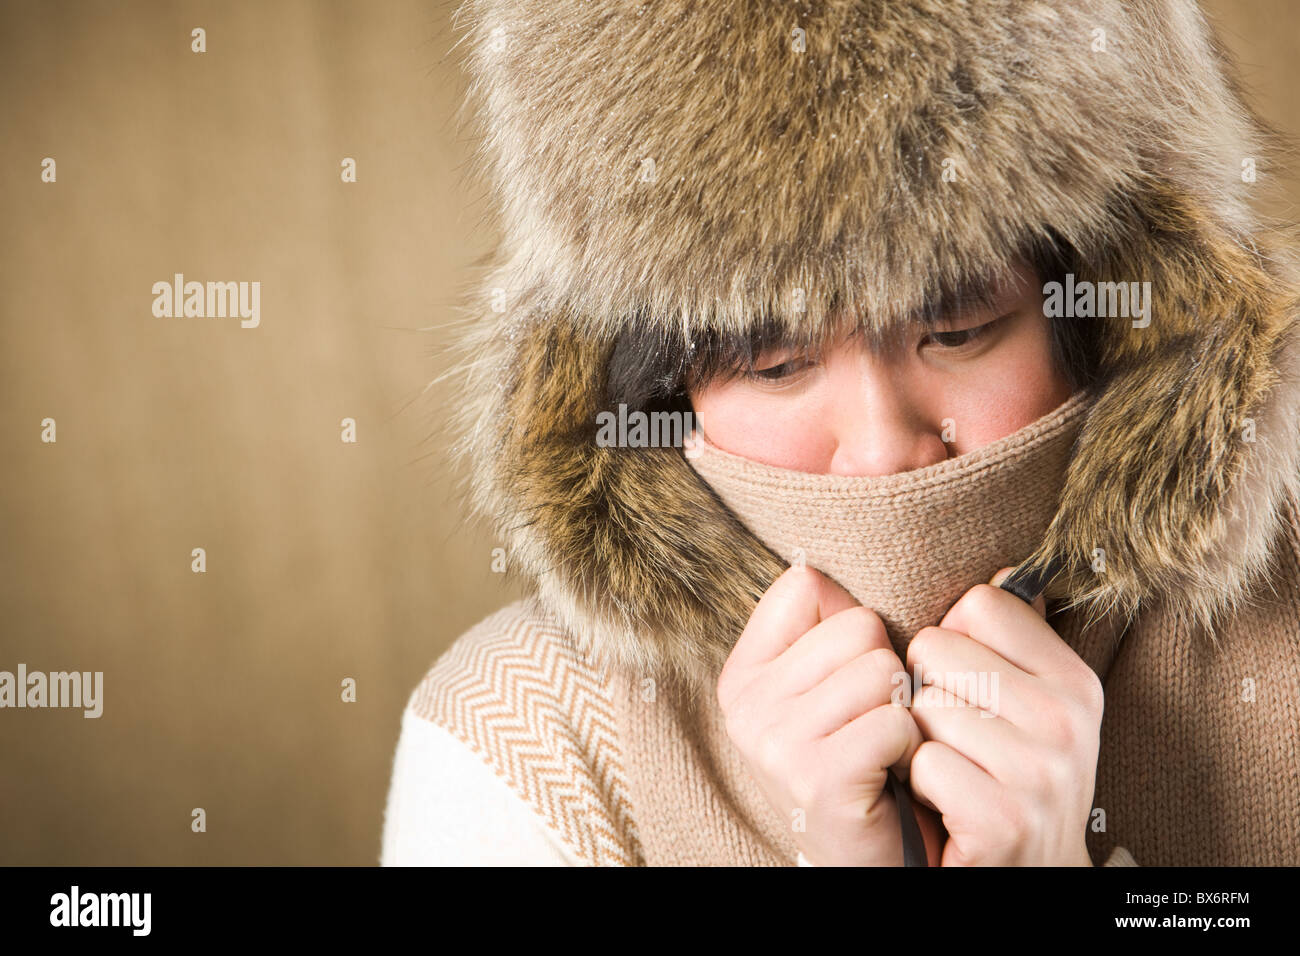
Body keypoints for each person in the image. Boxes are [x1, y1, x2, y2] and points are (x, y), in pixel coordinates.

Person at [381, 0, 1300, 866]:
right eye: (774, 364)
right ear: (655, 388)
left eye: (960, 330)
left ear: (1104, 311)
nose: (880, 449)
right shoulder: (521, 741)